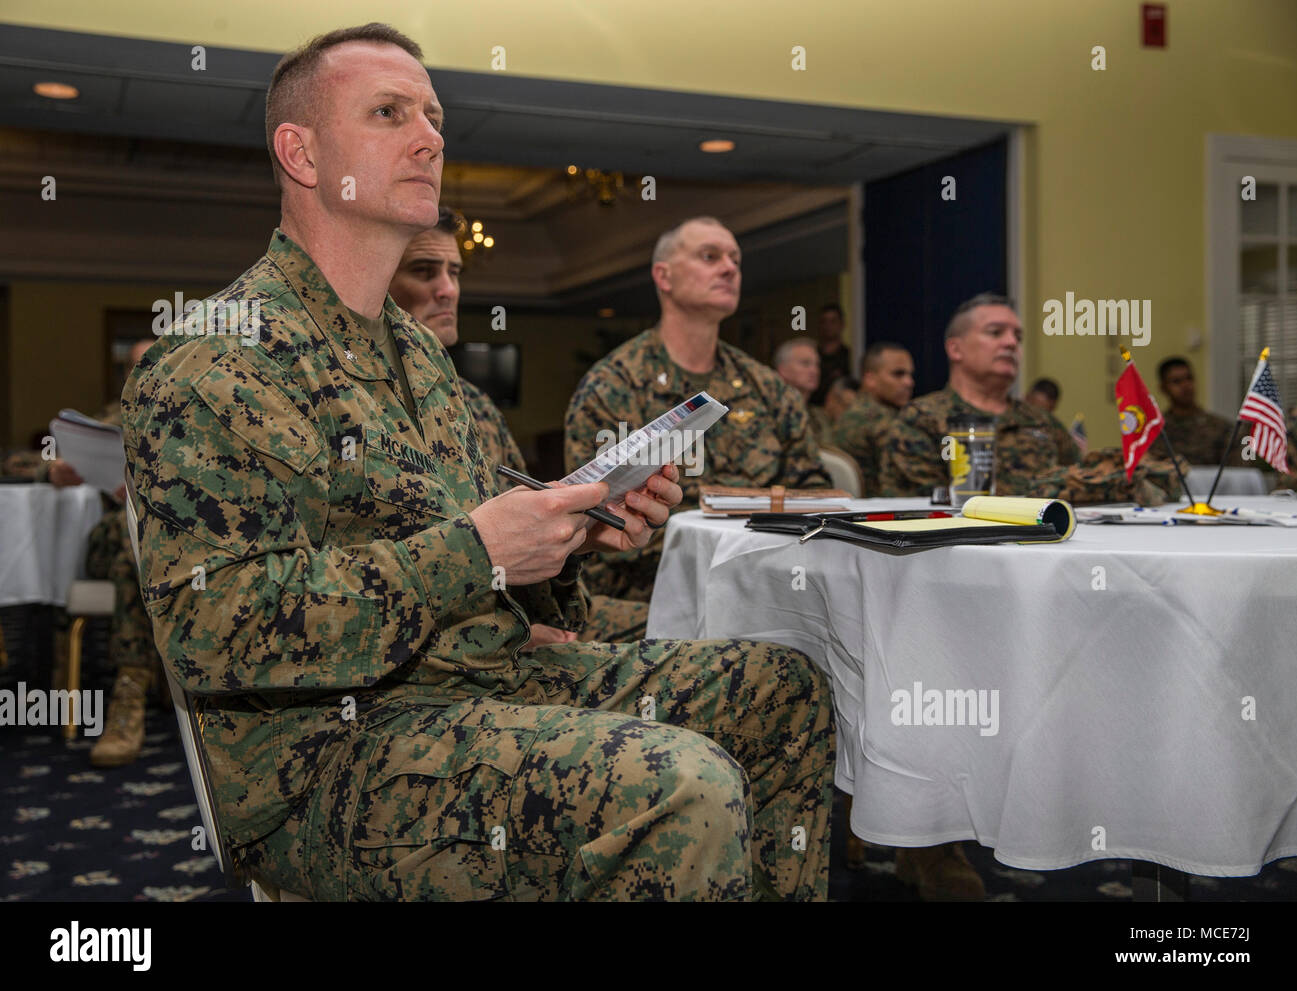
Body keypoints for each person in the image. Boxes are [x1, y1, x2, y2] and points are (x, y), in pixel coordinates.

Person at [121, 24, 834, 901]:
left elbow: (485, 534)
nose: (430, 138)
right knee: (682, 787)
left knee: (784, 687)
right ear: (301, 153)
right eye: (389, 113)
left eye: (434, 116)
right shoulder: (218, 358)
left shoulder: (418, 358)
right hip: (326, 760)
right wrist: (478, 552)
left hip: (482, 681)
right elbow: (212, 632)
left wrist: (580, 525)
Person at [388, 210, 648, 643]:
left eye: (455, 272)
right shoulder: (361, 402)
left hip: (517, 613)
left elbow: (522, 554)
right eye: (423, 271)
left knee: (694, 620)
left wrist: (579, 535)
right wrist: (520, 637)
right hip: (439, 651)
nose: (448, 289)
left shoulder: (474, 405)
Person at [564, 216, 827, 602]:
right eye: (710, 256)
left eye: (735, 259)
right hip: (648, 597)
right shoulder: (615, 385)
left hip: (766, 580)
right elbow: (593, 516)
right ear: (664, 277)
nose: (729, 268)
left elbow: (812, 491)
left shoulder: (765, 386)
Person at [879, 293, 1184, 505]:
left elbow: (1080, 483)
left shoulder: (1041, 421)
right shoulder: (921, 419)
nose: (1011, 343)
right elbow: (925, 507)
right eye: (996, 332)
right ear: (955, 349)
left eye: (1018, 337)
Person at [25, 339, 160, 767]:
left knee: (137, 541)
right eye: (137, 368)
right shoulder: (112, 418)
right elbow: (18, 462)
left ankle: (133, 688)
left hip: (171, 549)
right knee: (127, 532)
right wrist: (51, 470)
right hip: (112, 538)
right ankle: (132, 690)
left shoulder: (195, 419)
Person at [831, 341, 914, 496]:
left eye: (910, 374)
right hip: (879, 511)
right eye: (898, 374)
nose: (909, 382)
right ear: (870, 379)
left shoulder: (856, 411)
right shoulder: (875, 419)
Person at [1158, 357, 1245, 466]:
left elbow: (1235, 473)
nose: (1185, 386)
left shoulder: (1221, 428)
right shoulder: (1157, 430)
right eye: (1177, 381)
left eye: (1189, 378)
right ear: (1163, 388)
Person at [774, 336, 831, 441]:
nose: (814, 371)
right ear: (783, 370)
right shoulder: (772, 413)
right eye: (805, 363)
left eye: (817, 365)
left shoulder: (820, 417)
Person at [1024, 377, 1078, 467]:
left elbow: (1074, 464)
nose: (1035, 418)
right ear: (1026, 398)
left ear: (1053, 407)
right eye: (1032, 408)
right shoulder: (1010, 421)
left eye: (1043, 413)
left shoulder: (1058, 431)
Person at [809, 303, 851, 407]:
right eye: (824, 321)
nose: (828, 326)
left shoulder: (850, 357)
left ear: (842, 324)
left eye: (833, 321)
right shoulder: (811, 356)